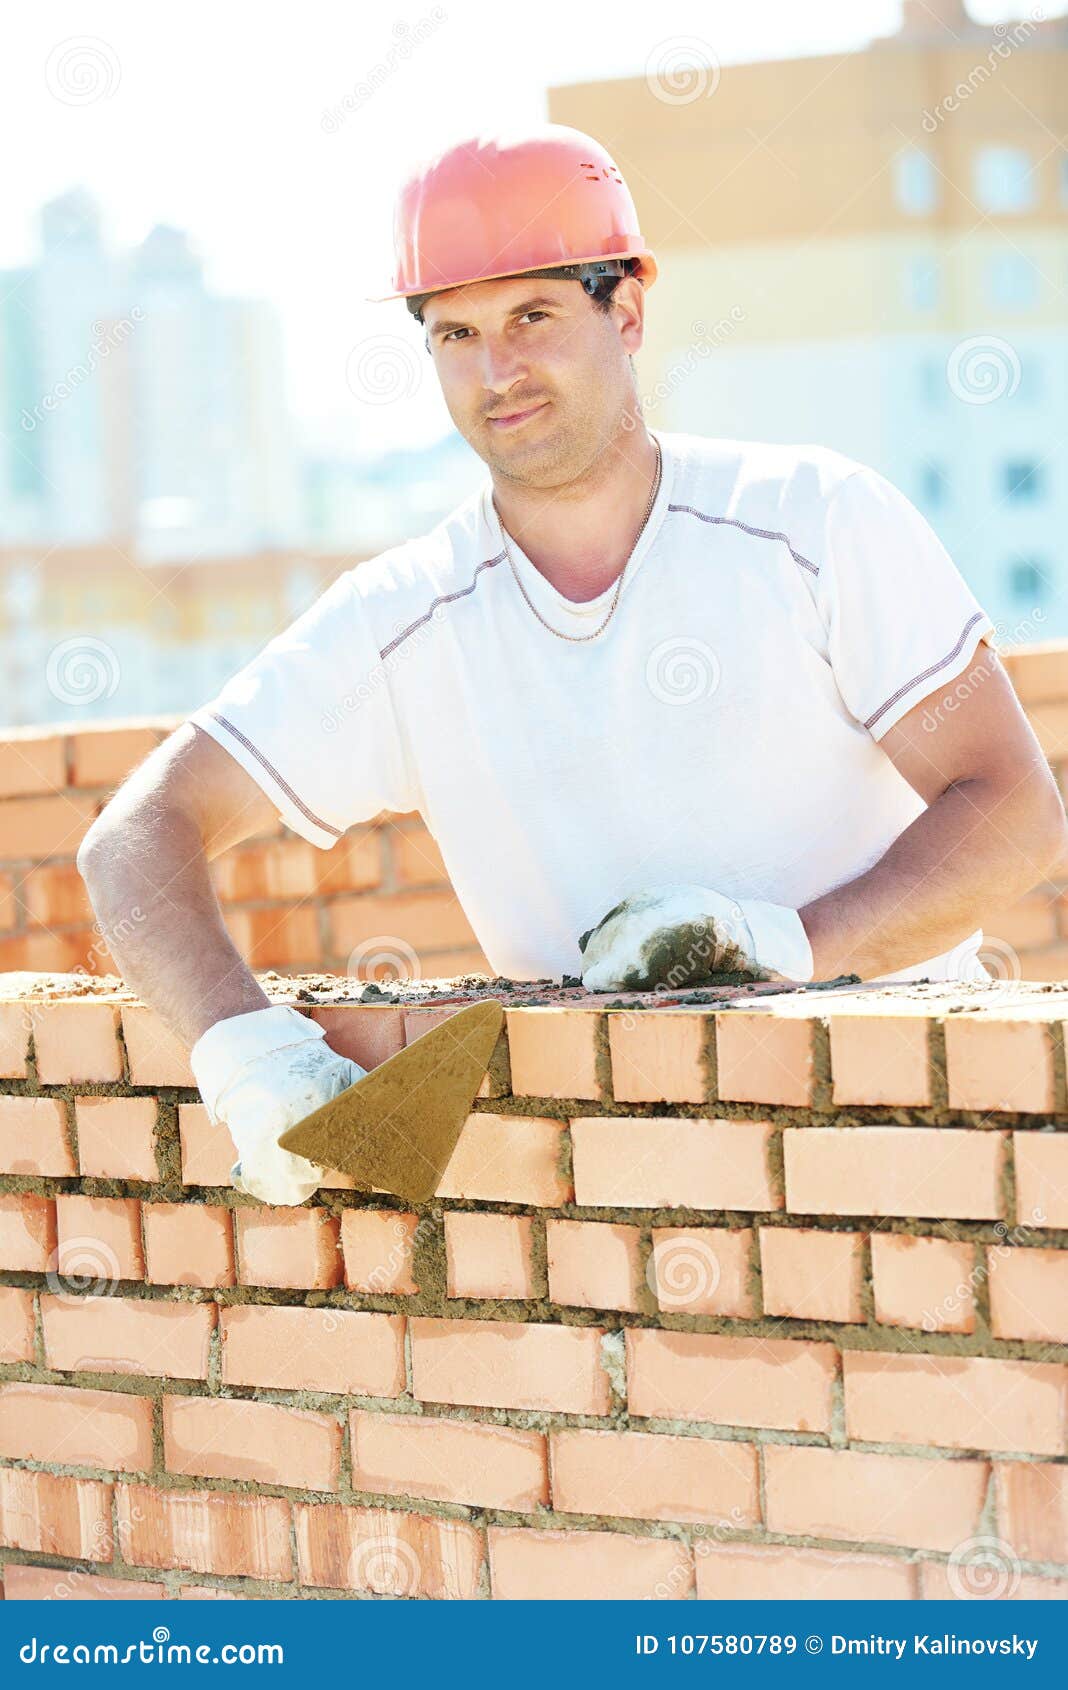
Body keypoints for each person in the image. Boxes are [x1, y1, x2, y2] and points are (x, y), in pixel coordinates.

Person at [78, 123, 1068, 1204]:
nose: (497, 371)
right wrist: (246, 1056)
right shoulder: (406, 621)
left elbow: (1014, 812)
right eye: (455, 334)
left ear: (627, 310)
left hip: (912, 1151)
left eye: (533, 317)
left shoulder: (812, 524)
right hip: (615, 1205)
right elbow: (132, 843)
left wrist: (788, 945)